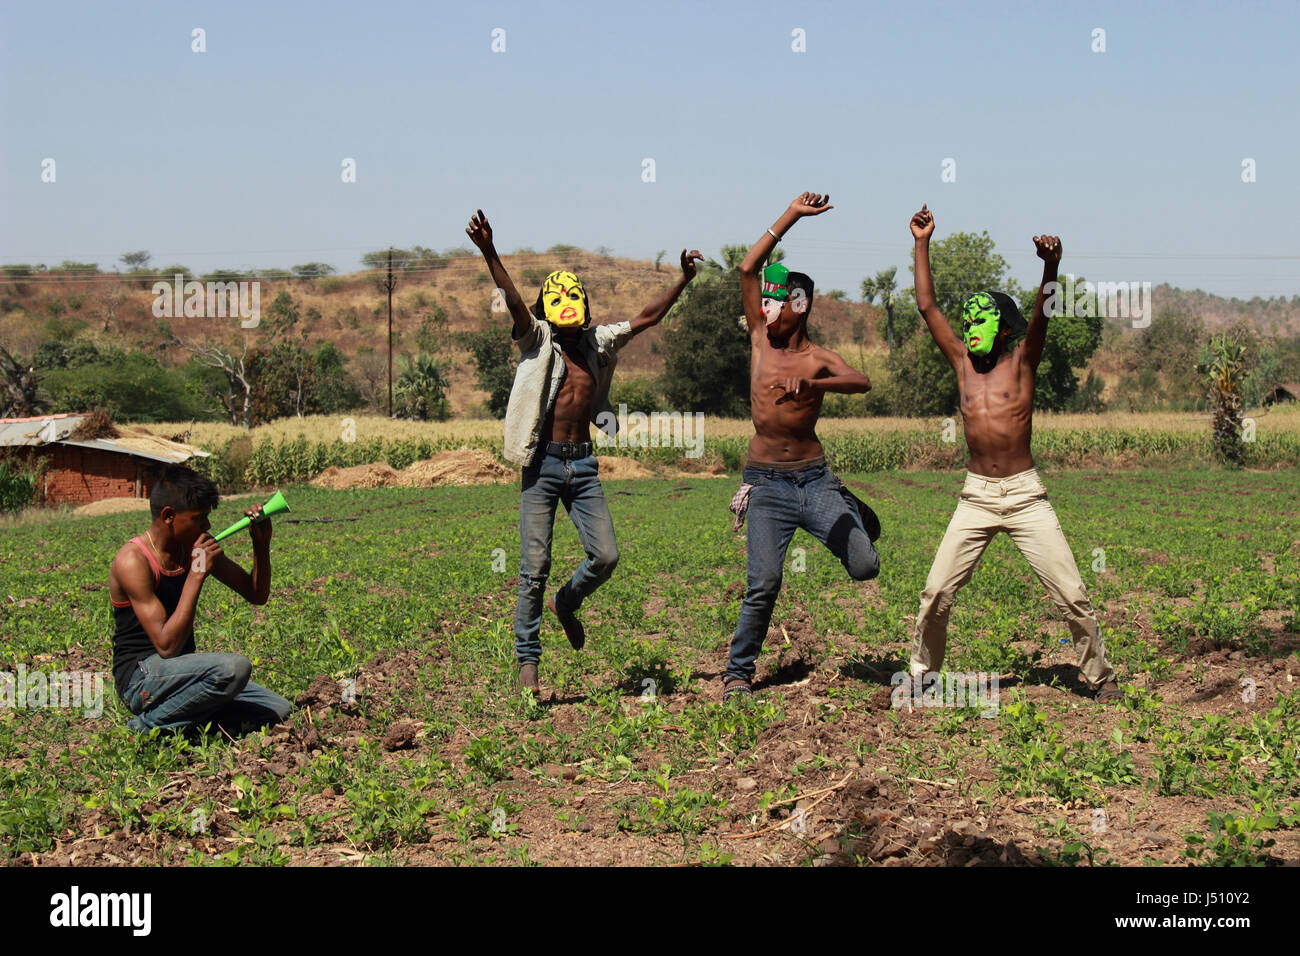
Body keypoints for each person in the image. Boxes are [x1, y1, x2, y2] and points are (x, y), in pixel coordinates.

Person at [466, 208, 702, 694]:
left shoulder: (598, 342)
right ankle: (528, 662)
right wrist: (489, 250)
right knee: (534, 569)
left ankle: (567, 603)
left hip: (584, 466)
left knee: (607, 556)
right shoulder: (538, 339)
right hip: (542, 463)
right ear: (548, 307)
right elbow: (512, 301)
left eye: (575, 297)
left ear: (585, 305)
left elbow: (648, 318)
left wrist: (682, 279)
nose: (568, 304)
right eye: (559, 298)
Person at [906, 203, 1121, 702]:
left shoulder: (1023, 362)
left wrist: (1051, 267)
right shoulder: (961, 363)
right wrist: (921, 242)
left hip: (1025, 496)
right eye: (968, 320)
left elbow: (1043, 314)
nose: (970, 326)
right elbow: (926, 307)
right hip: (976, 496)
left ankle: (1100, 675)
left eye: (981, 320)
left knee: (1071, 595)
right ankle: (922, 674)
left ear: (1004, 328)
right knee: (936, 594)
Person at [724, 191, 881, 699]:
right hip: (767, 483)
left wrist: (815, 386)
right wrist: (791, 216)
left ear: (800, 304)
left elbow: (861, 382)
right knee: (763, 584)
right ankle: (737, 674)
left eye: (777, 300)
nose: (766, 307)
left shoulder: (819, 358)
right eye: (765, 300)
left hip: (813, 480)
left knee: (865, 566)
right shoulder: (758, 338)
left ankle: (847, 505)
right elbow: (748, 269)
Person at [109, 465, 294, 733]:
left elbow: (256, 594)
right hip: (142, 677)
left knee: (278, 708)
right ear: (169, 516)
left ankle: (187, 721)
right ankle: (145, 728)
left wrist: (261, 544)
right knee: (233, 669)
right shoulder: (133, 561)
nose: (206, 526)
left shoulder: (193, 548)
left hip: (181, 674)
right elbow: (167, 646)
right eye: (199, 518)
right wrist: (196, 575)